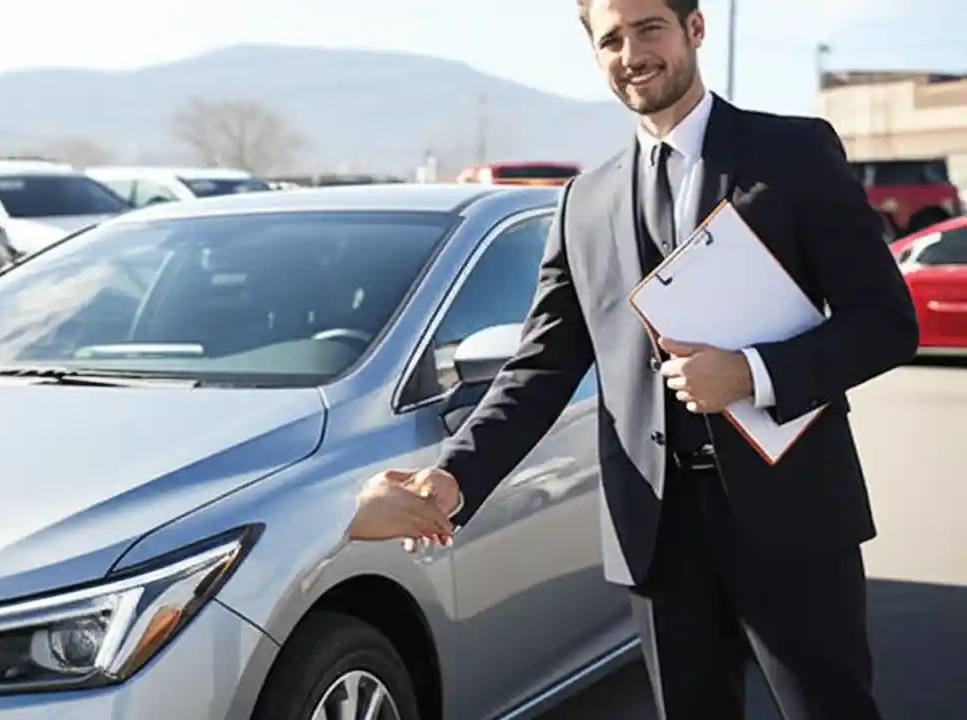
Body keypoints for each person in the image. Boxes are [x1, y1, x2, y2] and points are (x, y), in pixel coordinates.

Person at [347, 0, 919, 718]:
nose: (632, 52)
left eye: (649, 27)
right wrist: (454, 478)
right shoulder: (582, 203)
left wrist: (751, 374)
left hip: (791, 511)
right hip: (656, 528)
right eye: (611, 38)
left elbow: (887, 324)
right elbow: (541, 366)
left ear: (695, 30)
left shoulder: (795, 155)